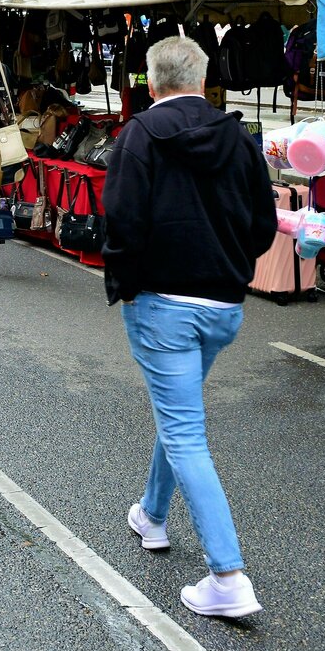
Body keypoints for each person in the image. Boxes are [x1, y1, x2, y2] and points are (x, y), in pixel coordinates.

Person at [101, 36, 277, 620]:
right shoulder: (239, 137)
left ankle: (228, 575)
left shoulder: (139, 136)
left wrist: (123, 283)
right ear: (204, 80)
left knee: (184, 431)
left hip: (163, 303)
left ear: (151, 83)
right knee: (180, 417)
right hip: (223, 304)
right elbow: (263, 224)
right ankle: (151, 514)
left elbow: (122, 220)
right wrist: (233, 266)